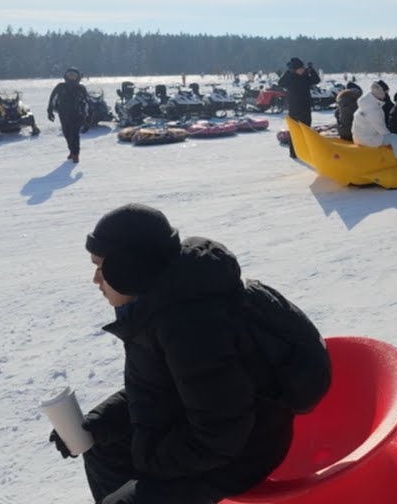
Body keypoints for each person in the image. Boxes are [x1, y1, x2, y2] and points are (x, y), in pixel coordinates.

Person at [52, 204, 297, 503]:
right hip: (206, 430)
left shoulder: (188, 325)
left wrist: (150, 465)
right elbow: (161, 386)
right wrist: (100, 422)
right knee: (101, 445)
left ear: (129, 268)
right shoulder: (156, 303)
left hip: (244, 453)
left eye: (101, 267)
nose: (95, 280)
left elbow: (221, 433)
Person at [352, 83, 397, 168]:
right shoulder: (374, 110)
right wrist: (390, 141)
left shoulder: (366, 104)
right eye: (385, 93)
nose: (386, 95)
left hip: (358, 136)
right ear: (381, 93)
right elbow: (381, 129)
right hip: (367, 139)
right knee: (396, 138)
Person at [279, 57, 320, 159]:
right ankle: (294, 153)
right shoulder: (290, 78)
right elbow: (281, 83)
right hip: (294, 108)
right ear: (294, 69)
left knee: (306, 130)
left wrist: (311, 70)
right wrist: (288, 72)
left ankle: (305, 151)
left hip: (306, 106)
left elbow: (316, 80)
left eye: (302, 68)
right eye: (299, 69)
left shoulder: (305, 76)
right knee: (295, 131)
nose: (302, 70)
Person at [48, 67, 89, 163]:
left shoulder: (81, 88)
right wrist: (49, 111)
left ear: (78, 77)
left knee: (75, 134)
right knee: (67, 134)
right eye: (69, 75)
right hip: (63, 114)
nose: (71, 78)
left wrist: (88, 118)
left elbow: (87, 102)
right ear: (66, 76)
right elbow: (52, 98)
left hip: (78, 114)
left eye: (74, 76)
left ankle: (76, 154)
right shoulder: (60, 87)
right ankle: (71, 151)